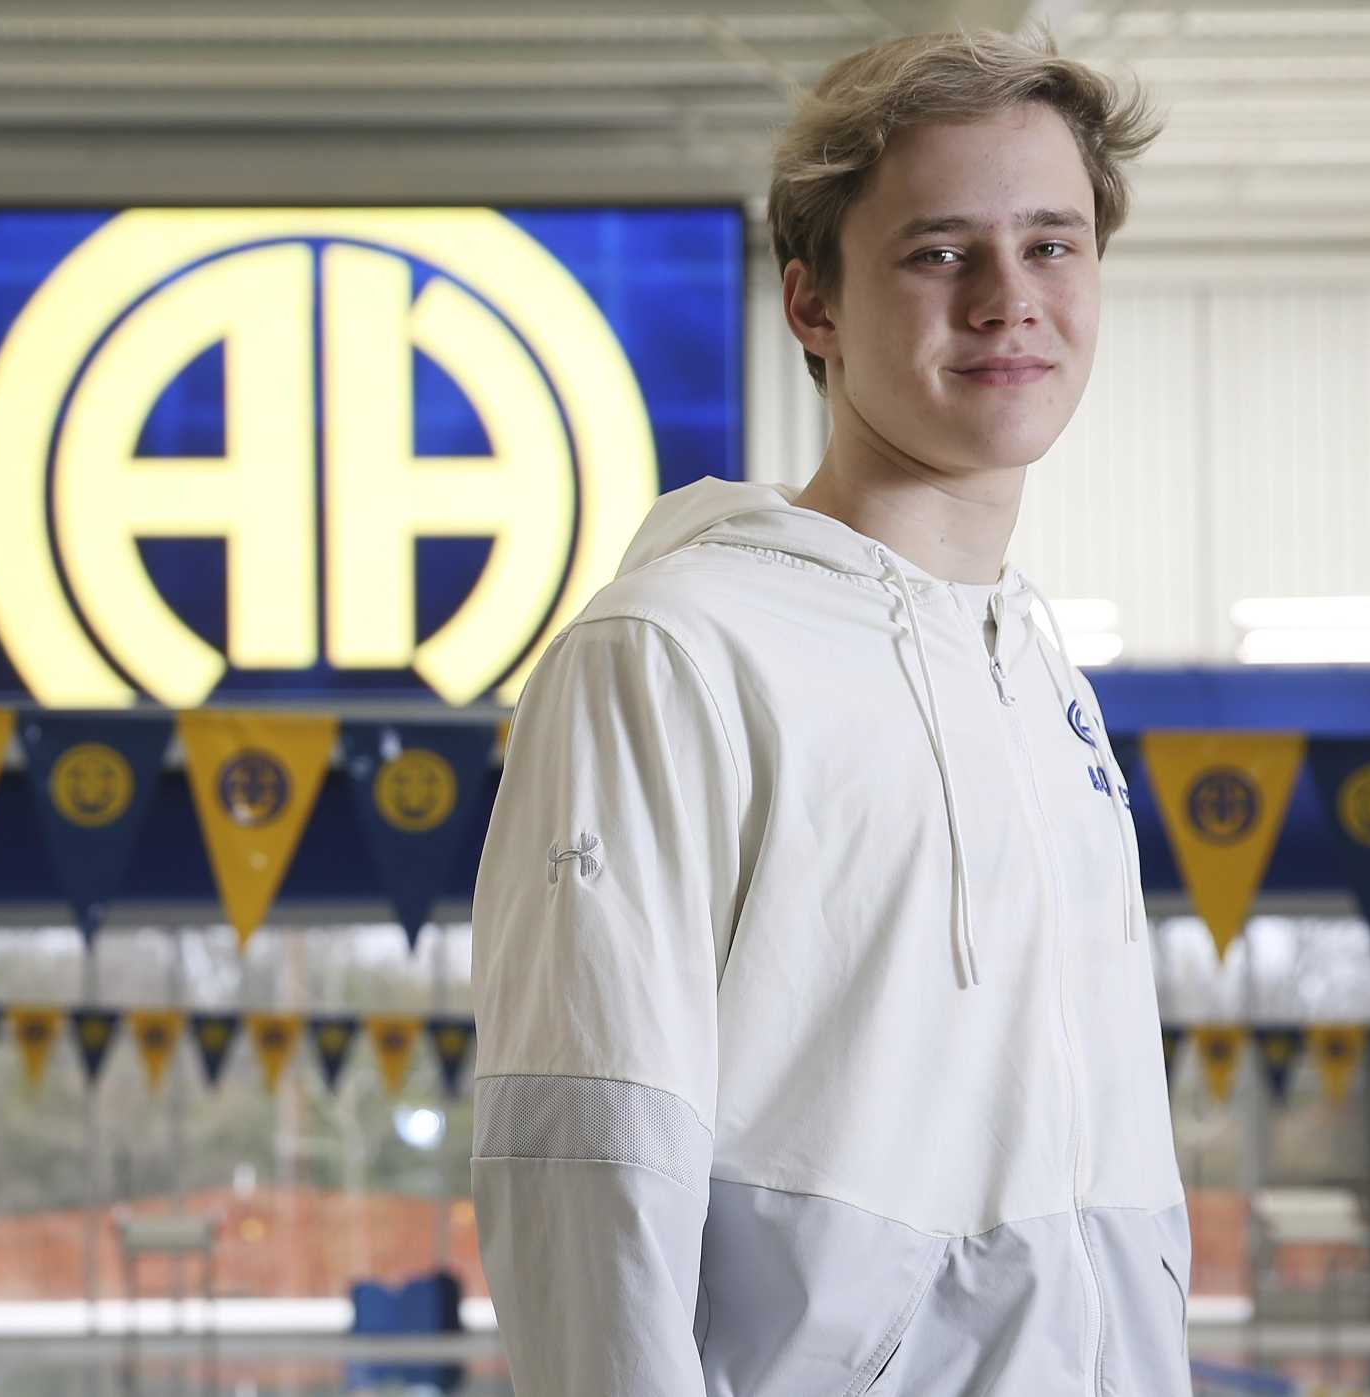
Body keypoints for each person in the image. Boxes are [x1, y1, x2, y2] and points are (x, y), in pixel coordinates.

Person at [470, 26, 1185, 1396]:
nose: (1007, 299)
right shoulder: (671, 655)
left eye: (1053, 244)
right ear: (812, 306)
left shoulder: (1046, 685)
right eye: (938, 252)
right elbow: (586, 1173)